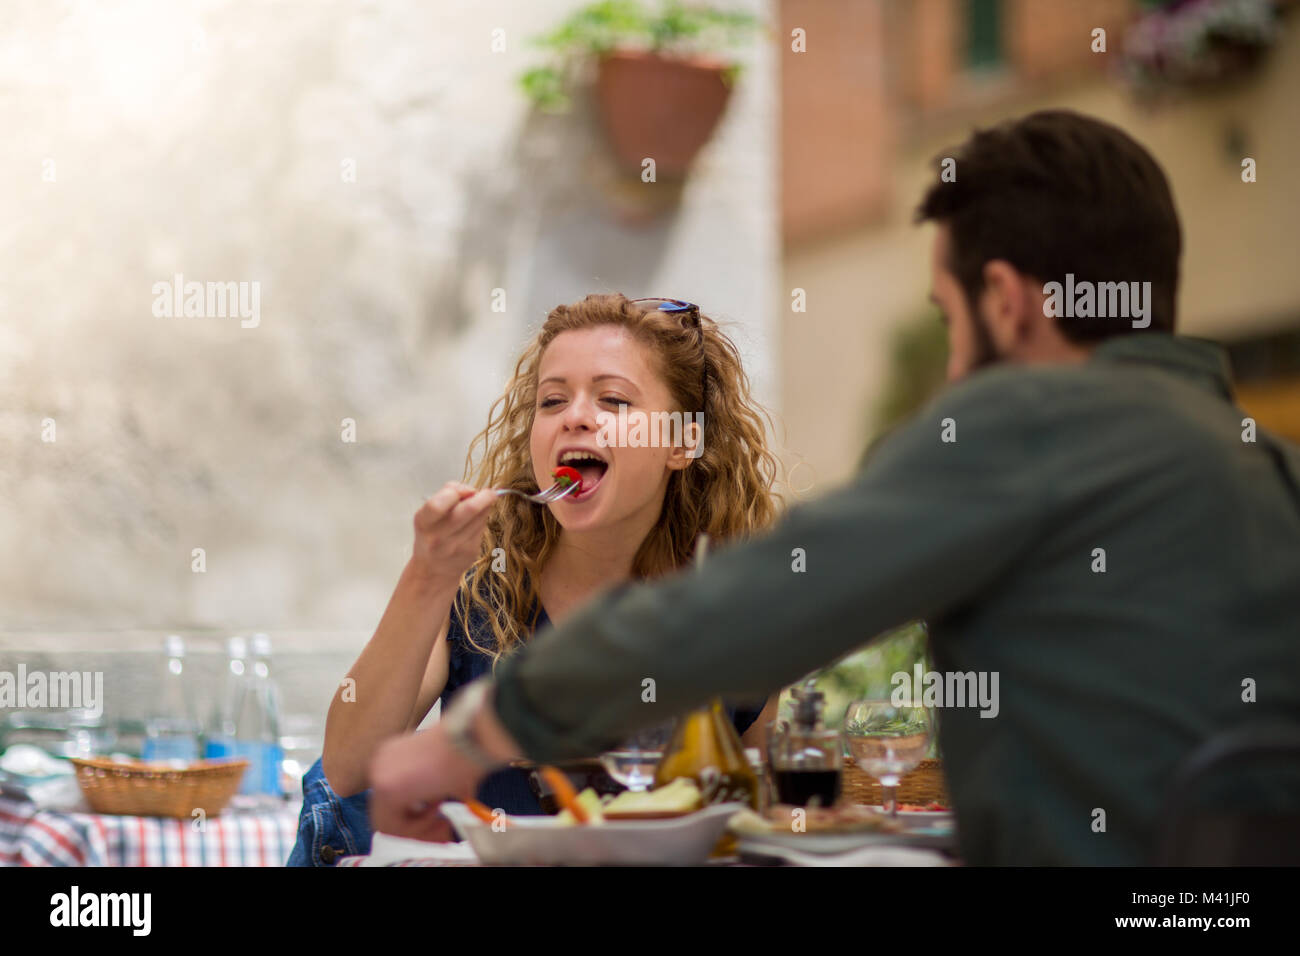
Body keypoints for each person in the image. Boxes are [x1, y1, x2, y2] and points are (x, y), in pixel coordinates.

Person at [368, 110, 1300, 866]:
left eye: (948, 318)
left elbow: (755, 605)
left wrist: (470, 736)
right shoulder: (1264, 462)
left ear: (1008, 302)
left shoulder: (1030, 424)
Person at [286, 293, 784, 865]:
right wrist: (427, 576)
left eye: (613, 399)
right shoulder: (479, 593)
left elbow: (763, 826)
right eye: (552, 400)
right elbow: (348, 765)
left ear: (682, 441)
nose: (574, 415)